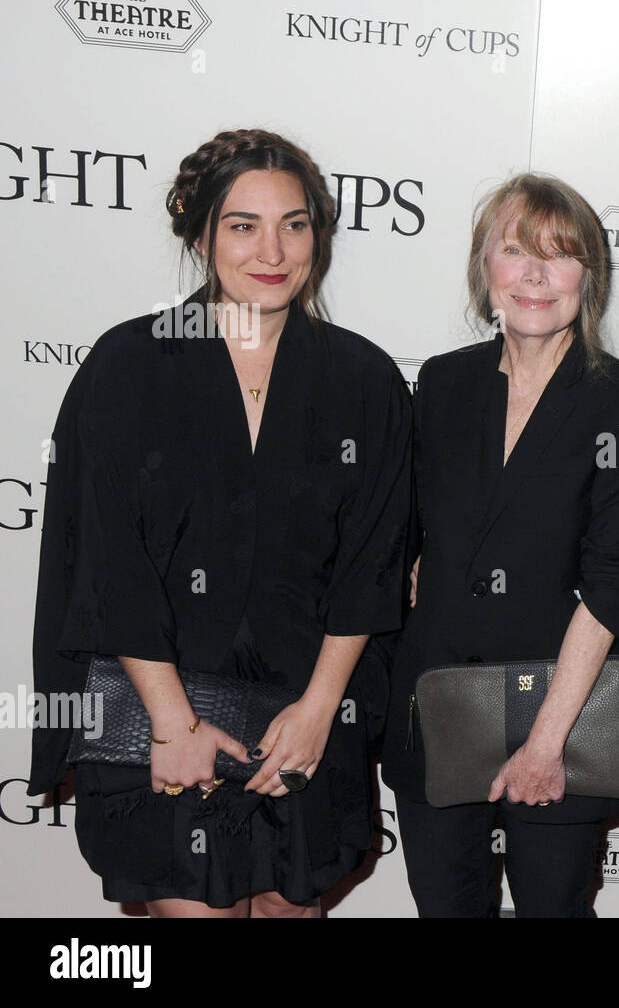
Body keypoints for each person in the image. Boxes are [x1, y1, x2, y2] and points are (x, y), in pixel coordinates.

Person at [28, 129, 412, 917]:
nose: (272, 249)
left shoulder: (363, 379)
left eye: (295, 224)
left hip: (304, 720)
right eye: (243, 225)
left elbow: (372, 563)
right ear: (201, 235)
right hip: (164, 715)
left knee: (286, 908)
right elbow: (109, 561)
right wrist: (174, 725)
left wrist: (315, 715)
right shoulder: (129, 366)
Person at [381, 173, 619, 918]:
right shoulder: (443, 385)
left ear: (589, 277)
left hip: (560, 719)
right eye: (515, 251)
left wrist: (546, 742)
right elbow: (410, 523)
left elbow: (617, 581)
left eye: (559, 254)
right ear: (486, 270)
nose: (535, 274)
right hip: (438, 707)